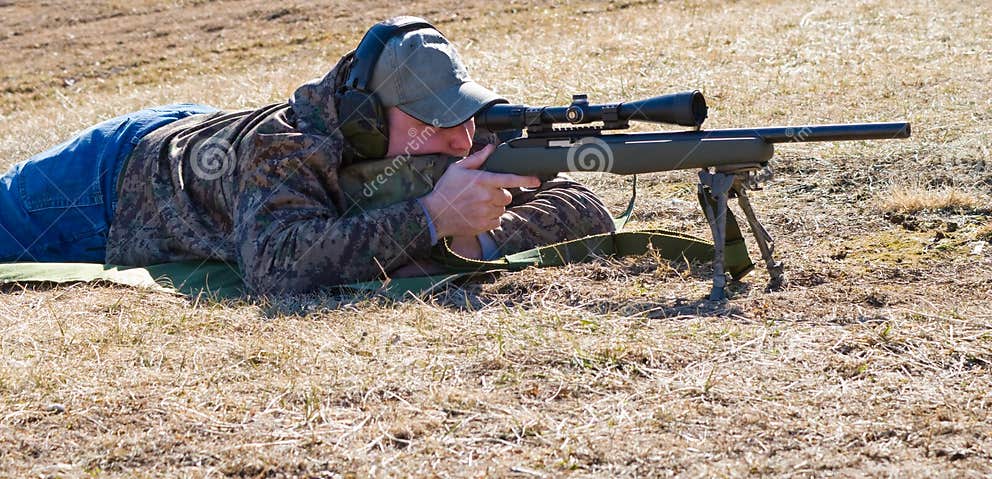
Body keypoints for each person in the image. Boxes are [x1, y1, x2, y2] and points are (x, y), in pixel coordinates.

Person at [0, 16, 615, 294]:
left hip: (200, 130)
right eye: (431, 122)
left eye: (461, 118)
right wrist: (430, 218)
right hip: (107, 181)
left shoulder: (452, 133)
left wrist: (473, 236)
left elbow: (588, 207)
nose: (459, 140)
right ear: (366, 121)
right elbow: (276, 265)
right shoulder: (286, 150)